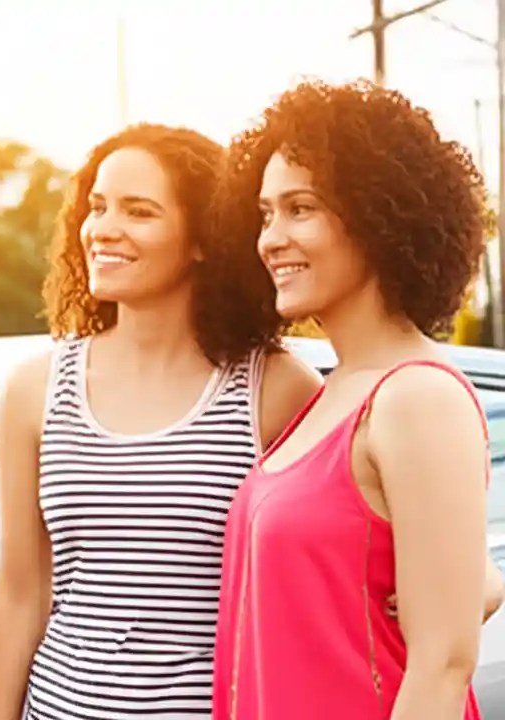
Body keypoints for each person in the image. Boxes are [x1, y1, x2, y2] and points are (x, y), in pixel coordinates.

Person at [0, 123, 324, 719]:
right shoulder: (35, 390)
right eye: (98, 207)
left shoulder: (277, 391)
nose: (103, 229)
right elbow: (19, 593)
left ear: (202, 239)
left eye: (138, 212)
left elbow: (332, 577)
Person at [211, 79, 493, 719]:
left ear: (377, 216)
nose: (270, 238)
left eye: (300, 208)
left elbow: (443, 668)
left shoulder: (417, 396)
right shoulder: (331, 392)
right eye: (265, 213)